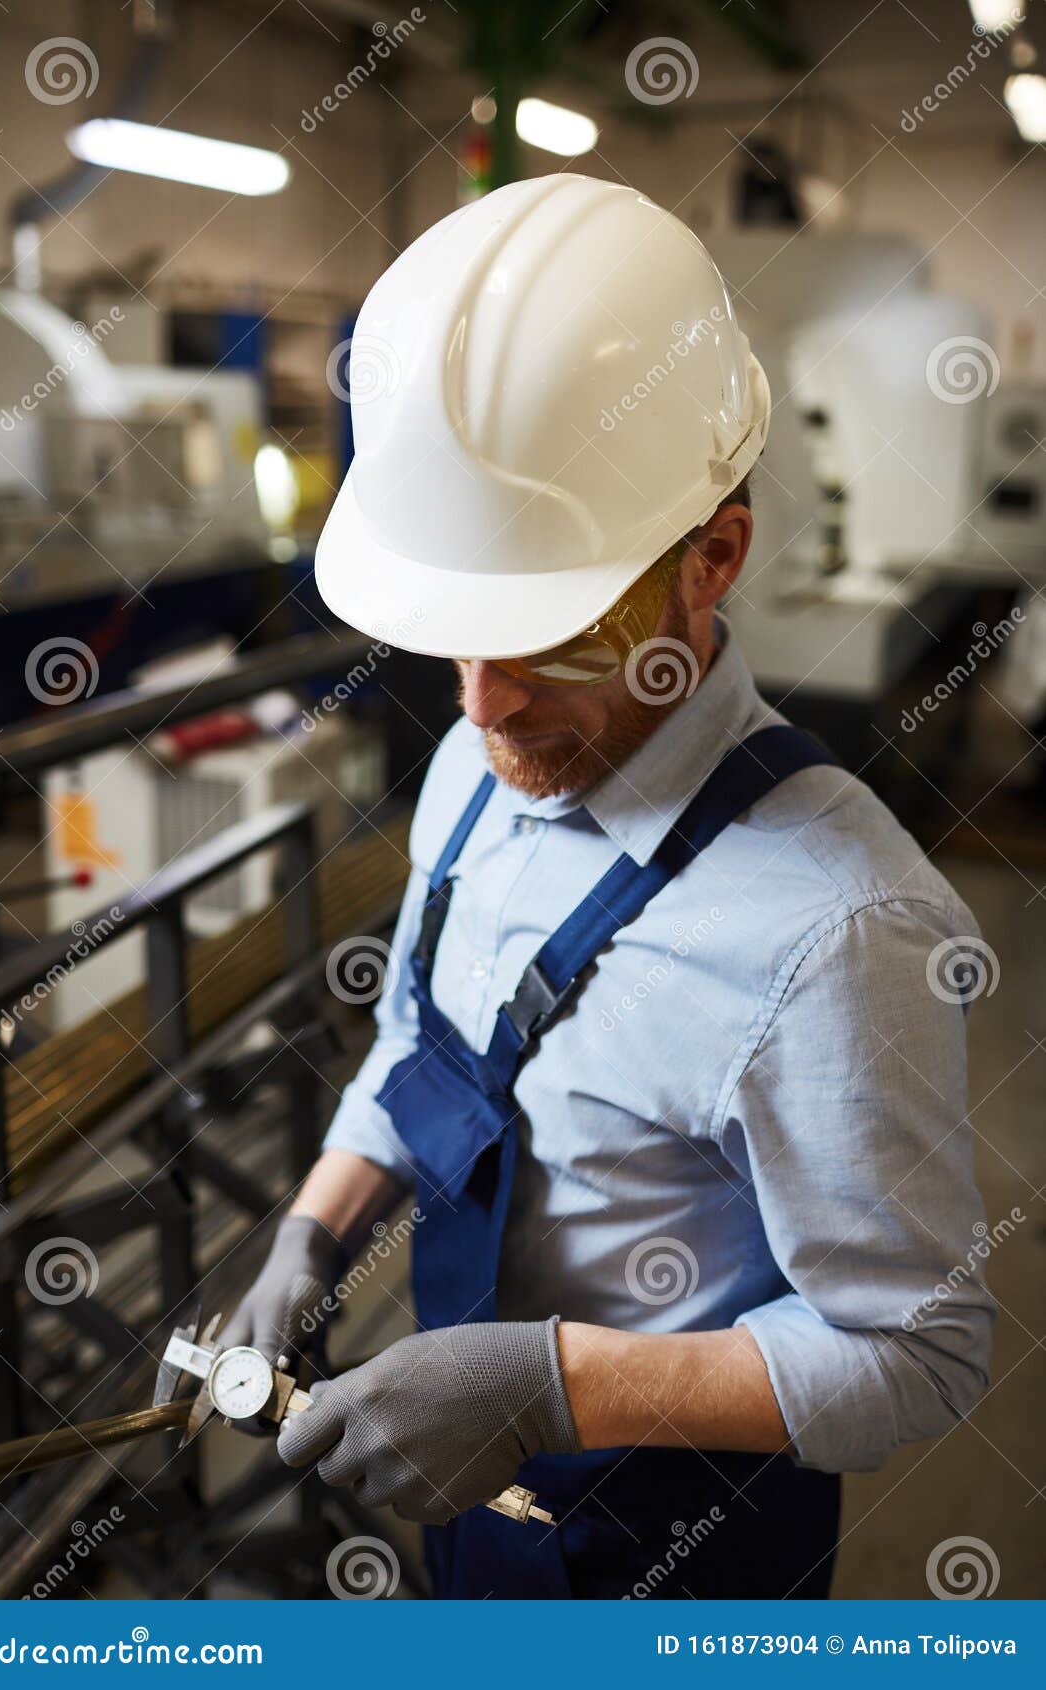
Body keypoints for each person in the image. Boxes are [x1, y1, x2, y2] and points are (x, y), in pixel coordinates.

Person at [222, 175, 994, 1600]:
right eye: (454, 638)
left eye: (550, 633)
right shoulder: (474, 763)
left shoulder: (838, 926)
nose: (486, 700)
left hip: (675, 1555)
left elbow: (921, 1350)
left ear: (713, 560)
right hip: (471, 1490)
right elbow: (417, 1043)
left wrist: (553, 1386)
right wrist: (310, 1231)